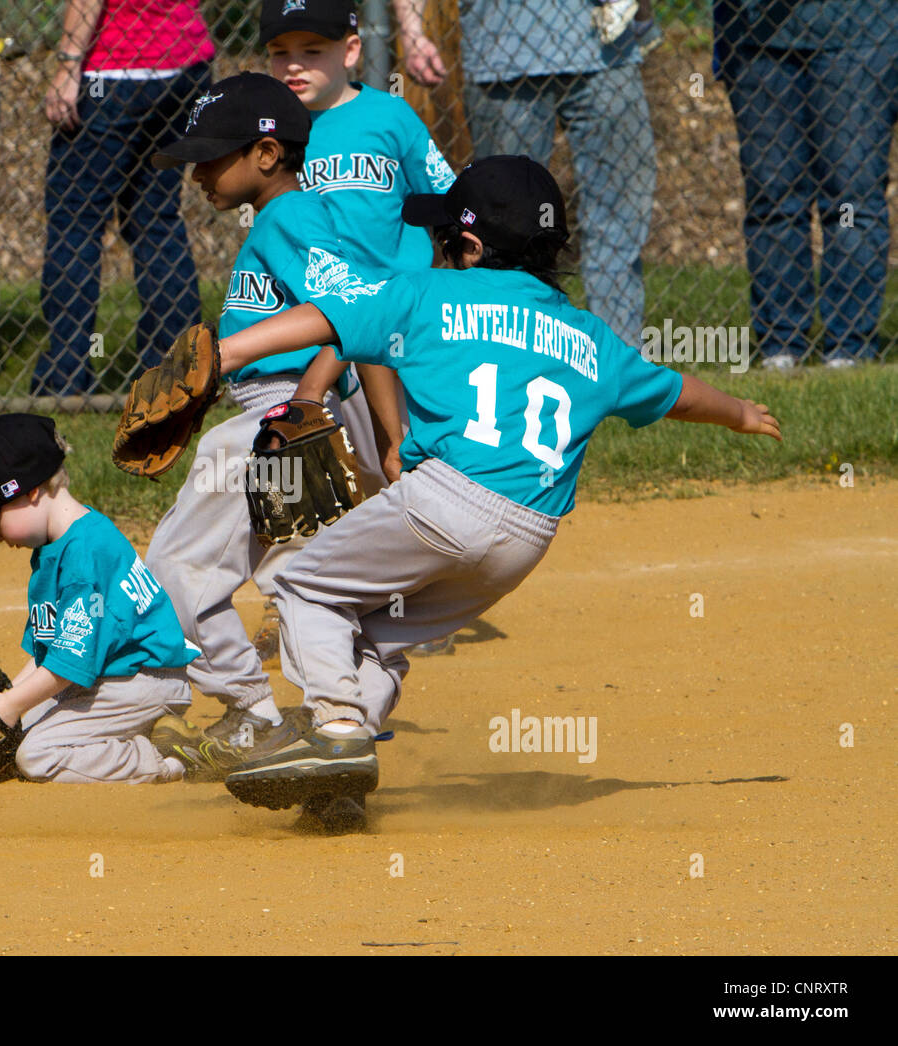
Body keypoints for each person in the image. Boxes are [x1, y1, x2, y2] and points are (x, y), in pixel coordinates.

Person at [210, 155, 780, 823]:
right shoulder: (592, 340)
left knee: (306, 587)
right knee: (382, 633)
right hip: (526, 535)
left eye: (446, 236)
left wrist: (225, 356)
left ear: (470, 246)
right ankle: (338, 783)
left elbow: (326, 319)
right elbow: (678, 394)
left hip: (443, 500)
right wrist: (740, 412)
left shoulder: (429, 294)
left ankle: (336, 731)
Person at [140, 73, 393, 776]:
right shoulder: (290, 221)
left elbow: (358, 313)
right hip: (281, 416)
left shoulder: (290, 219)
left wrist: (309, 394)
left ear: (268, 154)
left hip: (280, 417)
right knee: (301, 579)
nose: (196, 173)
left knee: (176, 567)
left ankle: (252, 715)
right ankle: (336, 721)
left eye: (212, 156)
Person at [259, 0, 454, 658]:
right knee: (321, 470)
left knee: (399, 463)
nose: (294, 65)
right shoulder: (273, 136)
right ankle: (331, 601)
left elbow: (443, 201)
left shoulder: (388, 117)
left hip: (389, 330)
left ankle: (406, 602)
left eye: (311, 50)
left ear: (349, 52)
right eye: (281, 51)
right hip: (316, 327)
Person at [0, 413, 201, 783]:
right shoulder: (57, 545)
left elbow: (67, 665)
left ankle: (167, 758)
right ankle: (136, 737)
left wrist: (6, 707)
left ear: (31, 491)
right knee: (22, 730)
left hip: (144, 681)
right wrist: (10, 701)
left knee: (37, 755)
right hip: (108, 676)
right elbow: (49, 651)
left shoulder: (83, 555)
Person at [395, 0, 655, 348]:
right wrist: (412, 30)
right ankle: (506, 347)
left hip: (608, 52)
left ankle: (616, 356)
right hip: (503, 55)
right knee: (495, 229)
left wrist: (642, 17)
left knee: (619, 216)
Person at [37, 0, 214, 394]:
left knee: (75, 222)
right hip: (184, 62)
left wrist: (67, 65)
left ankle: (65, 377)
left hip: (114, 66)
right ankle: (176, 375)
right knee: (157, 221)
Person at [714, 0, 898, 369]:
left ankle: (849, 348)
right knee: (773, 199)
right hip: (753, 37)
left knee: (850, 201)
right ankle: (780, 346)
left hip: (858, 33)